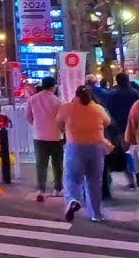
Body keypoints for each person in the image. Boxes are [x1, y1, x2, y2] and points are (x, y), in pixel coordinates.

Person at [56, 84, 112, 222]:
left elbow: (58, 123)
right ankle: (96, 214)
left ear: (75, 95)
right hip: (96, 147)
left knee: (72, 178)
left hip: (75, 147)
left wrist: (67, 129)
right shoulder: (98, 109)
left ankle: (73, 200)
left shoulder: (67, 108)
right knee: (94, 181)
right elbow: (107, 122)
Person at [26, 76, 64, 201]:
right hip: (55, 136)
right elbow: (61, 120)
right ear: (53, 87)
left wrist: (37, 125)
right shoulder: (57, 101)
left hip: (39, 136)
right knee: (57, 164)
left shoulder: (32, 99)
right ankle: (57, 189)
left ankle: (41, 189)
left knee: (41, 164)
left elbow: (29, 117)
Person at [105, 72, 139, 192]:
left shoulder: (113, 95)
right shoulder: (136, 94)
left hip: (121, 128)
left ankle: (131, 181)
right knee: (138, 151)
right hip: (137, 127)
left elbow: (109, 112)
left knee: (126, 153)